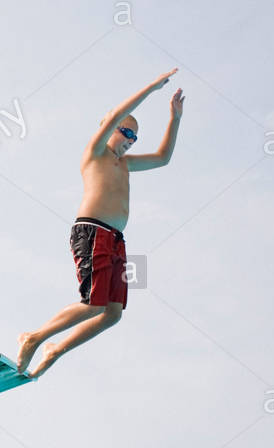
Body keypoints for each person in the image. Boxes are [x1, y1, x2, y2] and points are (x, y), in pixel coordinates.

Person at [16, 69, 185, 378]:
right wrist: (150, 88)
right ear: (109, 128)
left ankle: (56, 348)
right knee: (93, 304)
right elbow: (116, 115)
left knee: (112, 314)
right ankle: (35, 337)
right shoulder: (96, 153)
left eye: (135, 137)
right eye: (125, 131)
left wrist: (174, 118)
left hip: (116, 239)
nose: (130, 141)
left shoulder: (127, 164)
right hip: (93, 231)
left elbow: (163, 158)